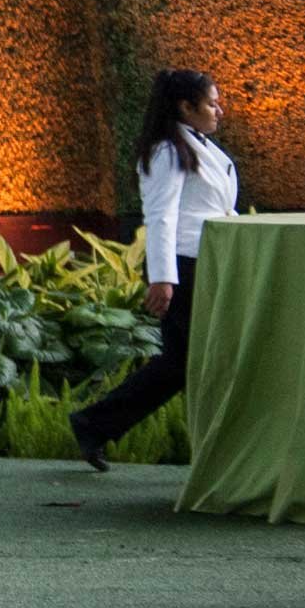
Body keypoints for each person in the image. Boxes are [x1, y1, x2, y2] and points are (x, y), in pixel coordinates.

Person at [71, 67, 235, 472]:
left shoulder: (194, 146)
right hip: (184, 264)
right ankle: (93, 424)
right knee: (180, 362)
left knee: (188, 361)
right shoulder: (167, 151)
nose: (219, 111)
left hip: (206, 261)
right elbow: (161, 215)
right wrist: (163, 277)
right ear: (186, 107)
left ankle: (94, 424)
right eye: (211, 103)